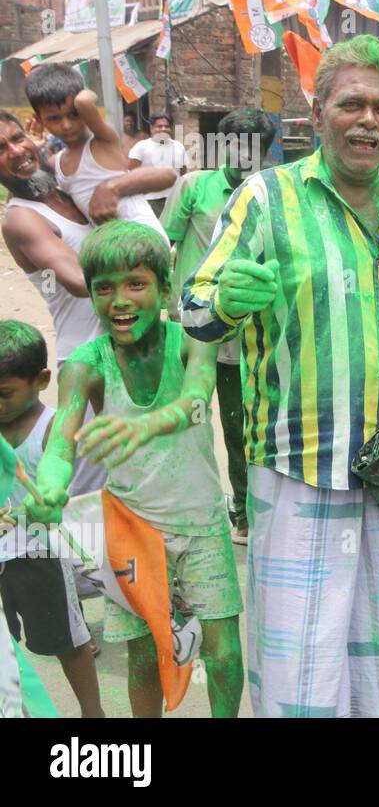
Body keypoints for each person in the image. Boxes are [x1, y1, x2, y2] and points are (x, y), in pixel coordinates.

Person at [182, 35, 379, 718]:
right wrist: (224, 302)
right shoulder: (266, 199)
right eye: (352, 104)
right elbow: (193, 310)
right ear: (319, 109)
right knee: (302, 657)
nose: (368, 121)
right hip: (300, 469)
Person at [27, 221, 244, 717]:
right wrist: (49, 489)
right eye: (104, 288)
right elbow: (62, 441)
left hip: (204, 526)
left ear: (165, 289)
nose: (120, 300)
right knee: (144, 657)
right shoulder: (86, 363)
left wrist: (146, 428)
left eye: (136, 284)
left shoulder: (193, 339)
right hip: (132, 532)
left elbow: (195, 401)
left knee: (225, 652)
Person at [160, 107, 275, 545]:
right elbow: (163, 245)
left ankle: (243, 514)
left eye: (256, 148)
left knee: (238, 428)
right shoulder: (194, 186)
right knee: (183, 422)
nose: (245, 156)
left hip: (239, 338)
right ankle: (178, 515)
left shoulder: (267, 195)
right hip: (187, 332)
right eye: (237, 146)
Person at [0, 321, 105, 717]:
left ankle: (93, 712)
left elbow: (51, 494)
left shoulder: (51, 429)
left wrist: (19, 512)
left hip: (40, 555)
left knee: (66, 640)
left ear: (42, 380)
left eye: (4, 393)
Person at [0, 110, 102, 369]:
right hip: (87, 361)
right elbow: (80, 281)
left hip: (126, 349)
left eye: (18, 137)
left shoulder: (64, 185)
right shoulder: (20, 218)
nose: (16, 151)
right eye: (1, 149)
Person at [24, 64, 174, 236]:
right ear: (39, 120)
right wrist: (36, 146)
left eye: (74, 114)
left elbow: (84, 101)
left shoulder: (103, 141)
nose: (66, 125)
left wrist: (81, 92)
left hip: (143, 236)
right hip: (110, 245)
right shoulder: (55, 162)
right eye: (54, 118)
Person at [127, 113, 189, 209]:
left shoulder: (178, 146)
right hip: (150, 199)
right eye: (159, 126)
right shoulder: (141, 146)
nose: (163, 129)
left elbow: (182, 173)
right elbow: (132, 172)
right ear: (152, 128)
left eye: (167, 126)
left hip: (174, 199)